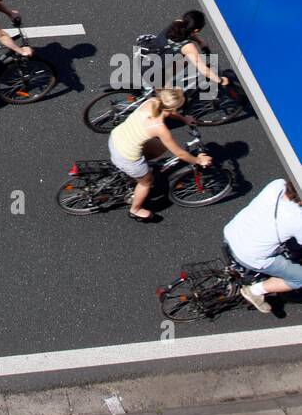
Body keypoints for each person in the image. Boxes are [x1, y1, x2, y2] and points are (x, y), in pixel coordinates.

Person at [108, 87, 211, 222]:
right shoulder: (159, 128)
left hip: (117, 138)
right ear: (172, 108)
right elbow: (180, 153)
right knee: (146, 183)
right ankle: (135, 210)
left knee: (161, 147)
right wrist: (198, 160)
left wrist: (183, 119)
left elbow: (169, 111)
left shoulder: (151, 102)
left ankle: (138, 171)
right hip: (126, 156)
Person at [224, 179, 302, 313]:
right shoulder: (298, 218)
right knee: (298, 278)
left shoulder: (278, 184)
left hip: (232, 232)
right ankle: (254, 291)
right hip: (249, 255)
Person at [151, 11, 232, 94]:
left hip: (146, 57)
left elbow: (188, 33)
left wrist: (200, 41)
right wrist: (221, 81)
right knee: (177, 98)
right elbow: (204, 70)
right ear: (196, 30)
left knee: (184, 60)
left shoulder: (177, 24)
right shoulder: (188, 47)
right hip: (152, 73)